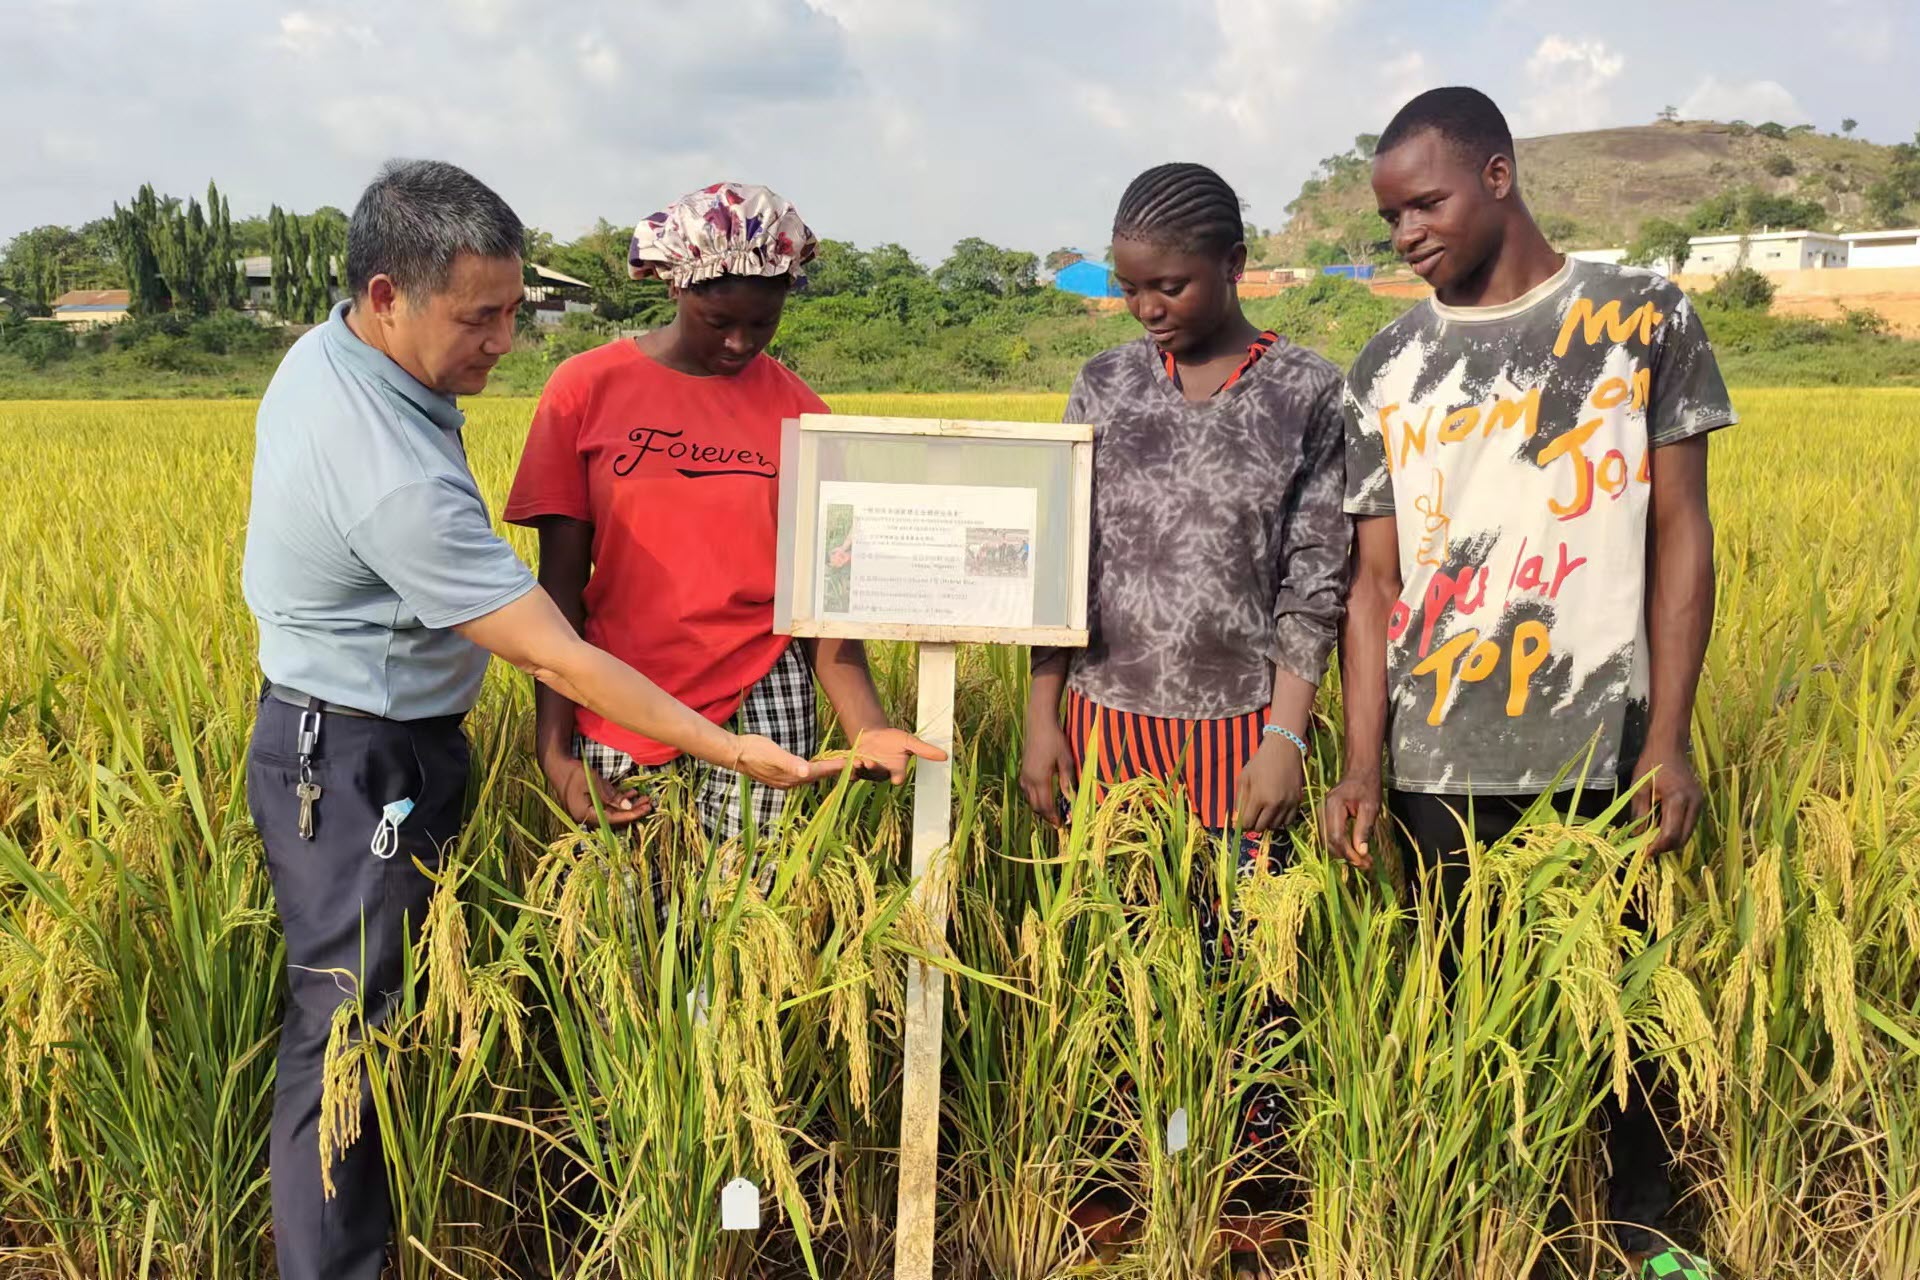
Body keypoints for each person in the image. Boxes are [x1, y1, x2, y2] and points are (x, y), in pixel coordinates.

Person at [241, 160, 838, 1280]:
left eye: (515, 309)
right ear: (386, 296)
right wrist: (717, 744)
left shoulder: (340, 358)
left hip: (378, 740)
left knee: (372, 1016)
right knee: (349, 1033)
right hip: (356, 755)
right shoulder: (391, 472)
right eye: (480, 316)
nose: (505, 340)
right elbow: (555, 639)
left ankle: (725, 1221)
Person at [1318, 88, 1733, 1279]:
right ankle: (1505, 1231)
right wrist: (1360, 762)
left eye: (1426, 202)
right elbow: (1370, 581)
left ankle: (1645, 1228)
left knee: (1626, 1010)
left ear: (1499, 176)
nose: (1406, 233)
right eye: (1391, 215)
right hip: (1437, 752)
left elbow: (1683, 534)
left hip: (1602, 739)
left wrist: (1672, 735)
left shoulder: (1639, 317)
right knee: (1463, 1012)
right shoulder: (1388, 362)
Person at [1018, 163, 1348, 1239]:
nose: (1151, 309)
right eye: (1132, 290)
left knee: (1251, 966)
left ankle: (1245, 1191)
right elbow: (1060, 566)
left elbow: (1317, 578)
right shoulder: (1105, 385)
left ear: (1235, 267)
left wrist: (1290, 733)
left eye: (1173, 286)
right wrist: (1040, 718)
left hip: (1243, 732)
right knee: (1121, 960)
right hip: (1109, 725)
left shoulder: (1307, 390)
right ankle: (1121, 1175)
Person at [506, 182, 942, 842]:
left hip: (761, 690)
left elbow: (827, 599)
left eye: (763, 324)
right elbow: (559, 587)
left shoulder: (804, 415)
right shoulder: (584, 390)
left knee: (750, 907)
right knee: (623, 913)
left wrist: (867, 727)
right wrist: (554, 752)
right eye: (720, 324)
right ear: (676, 286)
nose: (741, 343)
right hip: (615, 687)